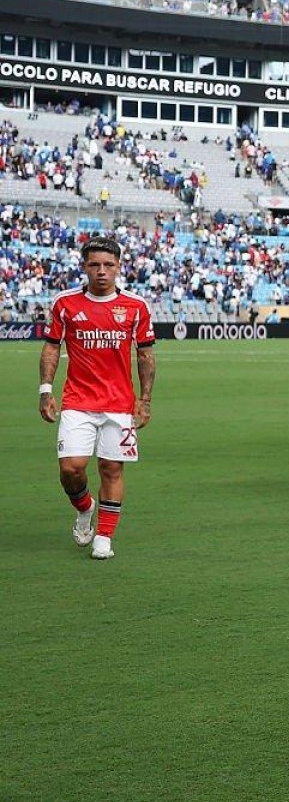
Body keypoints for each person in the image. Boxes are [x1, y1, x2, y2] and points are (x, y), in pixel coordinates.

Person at [41, 236, 154, 560]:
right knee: (71, 469)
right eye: (94, 265)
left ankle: (104, 535)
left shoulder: (136, 306)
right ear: (84, 267)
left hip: (120, 404)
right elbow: (52, 347)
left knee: (111, 468)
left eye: (108, 265)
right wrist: (45, 390)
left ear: (119, 267)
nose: (101, 271)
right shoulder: (65, 303)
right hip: (77, 400)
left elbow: (145, 356)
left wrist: (144, 400)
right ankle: (85, 507)